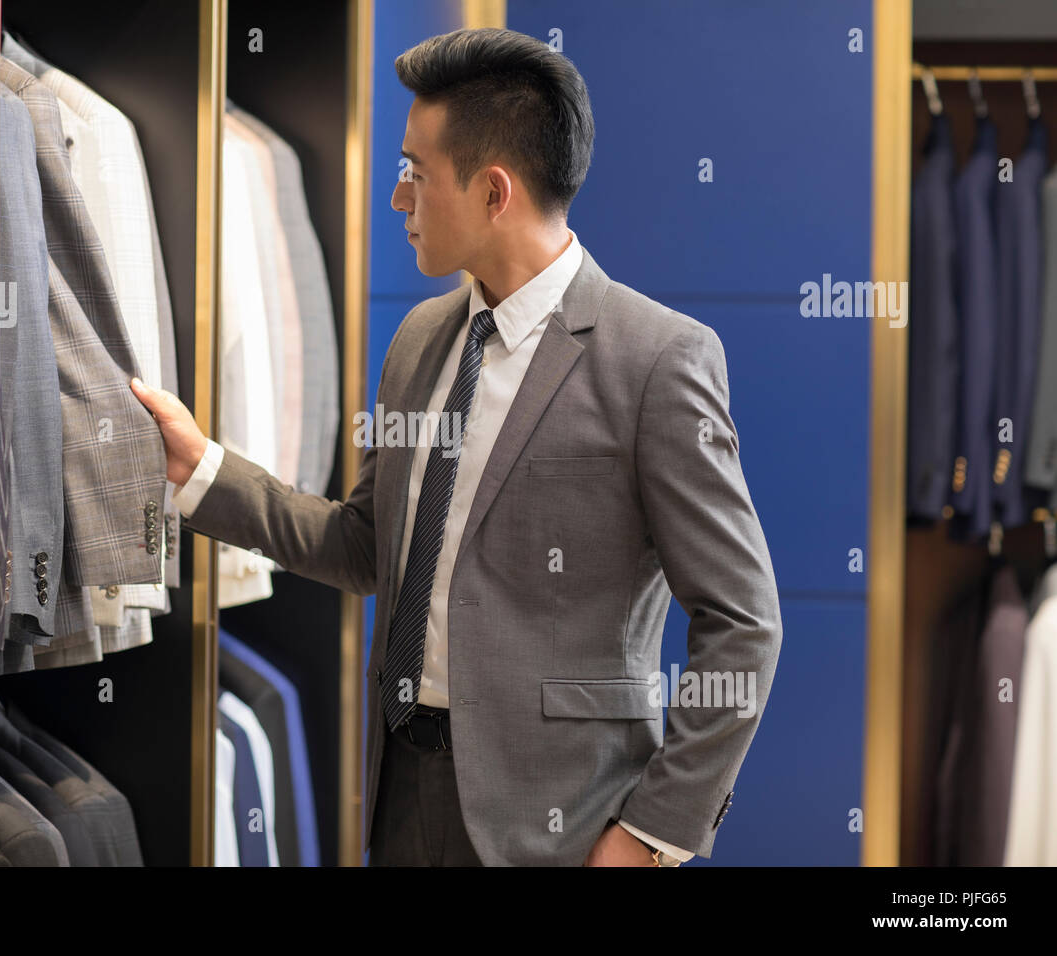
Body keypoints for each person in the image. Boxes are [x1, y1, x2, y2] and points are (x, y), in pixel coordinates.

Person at [131, 27, 782, 867]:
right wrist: (204, 473)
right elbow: (368, 547)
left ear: (494, 191)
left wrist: (651, 835)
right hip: (402, 793)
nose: (398, 199)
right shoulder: (419, 341)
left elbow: (744, 622)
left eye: (415, 173)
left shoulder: (657, 360)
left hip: (567, 826)